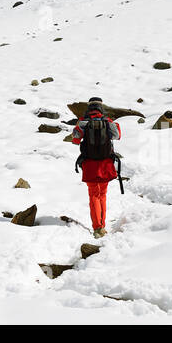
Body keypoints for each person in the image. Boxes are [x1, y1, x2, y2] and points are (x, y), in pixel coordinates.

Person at [69, 97, 121, 238]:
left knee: (93, 195)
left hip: (90, 164)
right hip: (105, 163)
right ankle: (102, 225)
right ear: (101, 108)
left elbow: (75, 140)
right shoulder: (108, 121)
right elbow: (117, 136)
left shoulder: (83, 122)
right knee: (102, 195)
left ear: (89, 108)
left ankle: (97, 228)